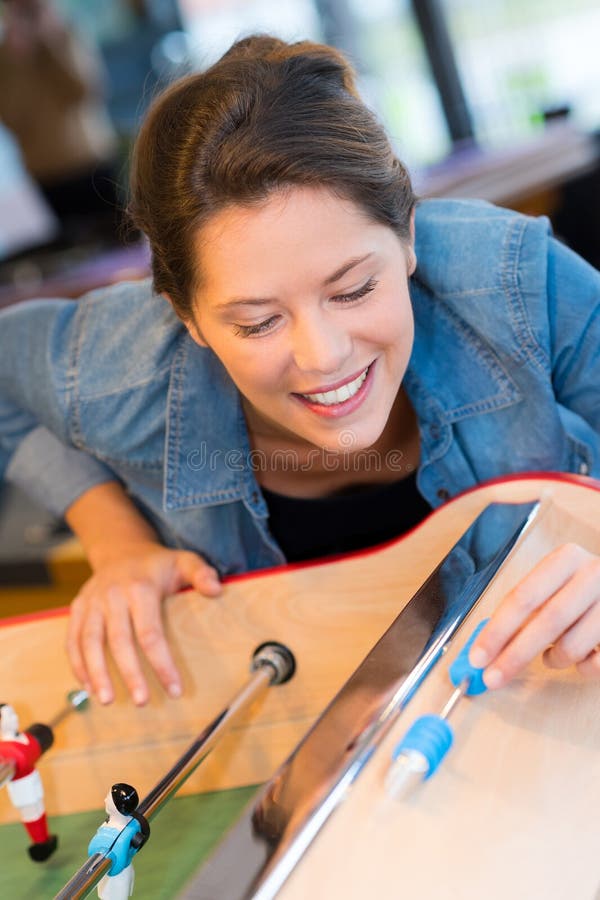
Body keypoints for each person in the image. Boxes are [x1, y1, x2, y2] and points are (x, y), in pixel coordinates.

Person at [1, 35, 600, 708]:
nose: (324, 356)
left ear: (405, 235)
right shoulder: (121, 367)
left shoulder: (512, 281)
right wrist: (117, 541)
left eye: (352, 291)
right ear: (186, 315)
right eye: (257, 323)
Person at [0, 703, 57, 861]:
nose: (15, 718)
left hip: (33, 780)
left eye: (14, 714)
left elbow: (34, 749)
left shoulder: (25, 737)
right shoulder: (4, 750)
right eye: (9, 716)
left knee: (39, 809)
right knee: (31, 813)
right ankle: (40, 845)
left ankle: (46, 840)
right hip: (21, 787)